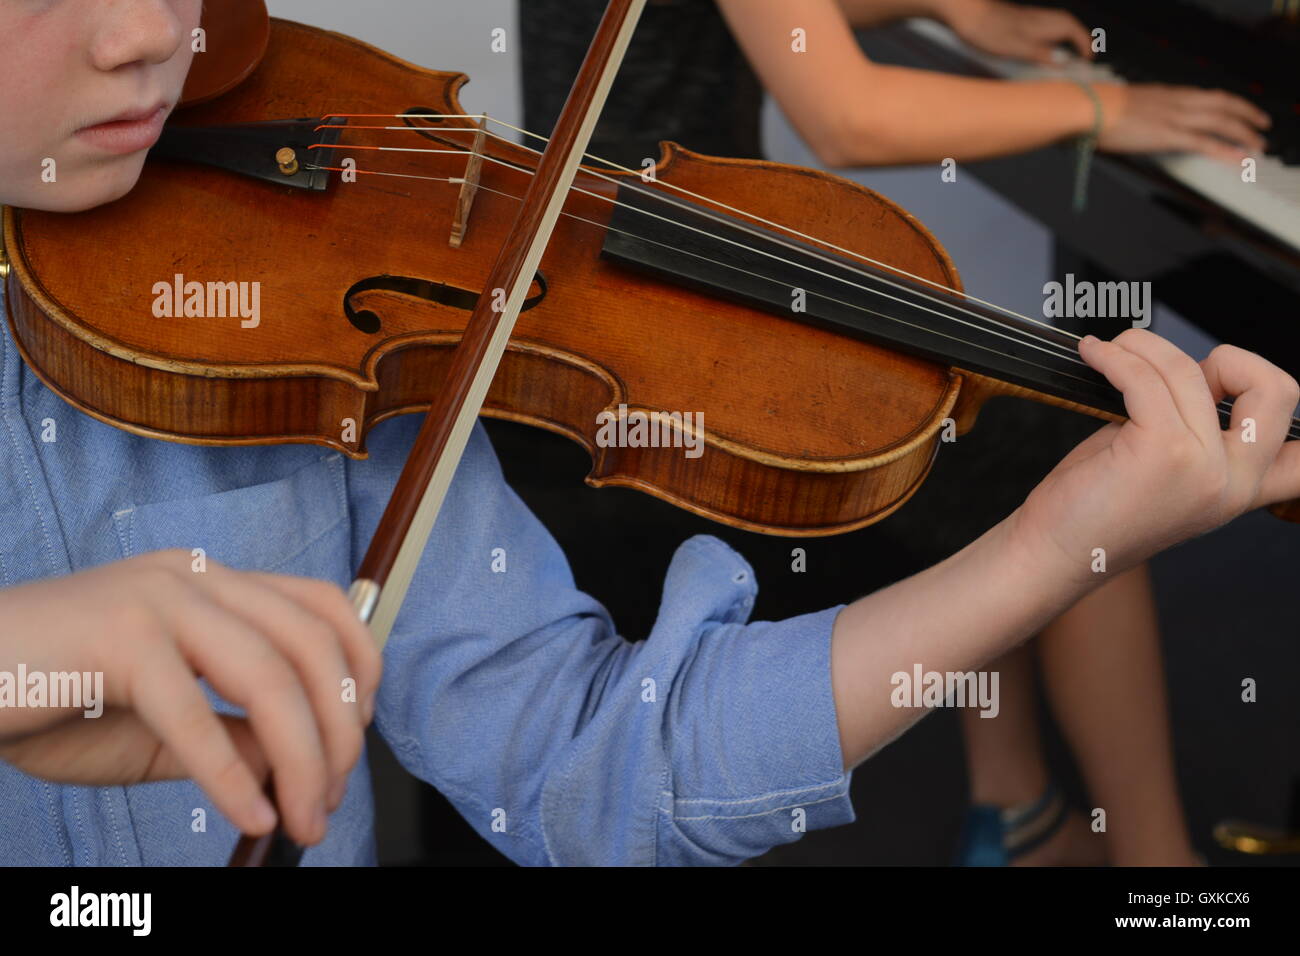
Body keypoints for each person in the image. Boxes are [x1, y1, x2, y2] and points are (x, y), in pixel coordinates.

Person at [1, 0, 1296, 868]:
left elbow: (590, 771)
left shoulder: (283, 328)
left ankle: (1023, 810)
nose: (151, 33)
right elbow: (843, 110)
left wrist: (1053, 547)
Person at [517, 0, 1273, 865]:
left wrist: (935, 4)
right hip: (667, 299)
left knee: (970, 421)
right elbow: (849, 118)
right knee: (1074, 460)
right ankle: (1159, 872)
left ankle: (1014, 808)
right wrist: (1107, 108)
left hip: (596, 274)